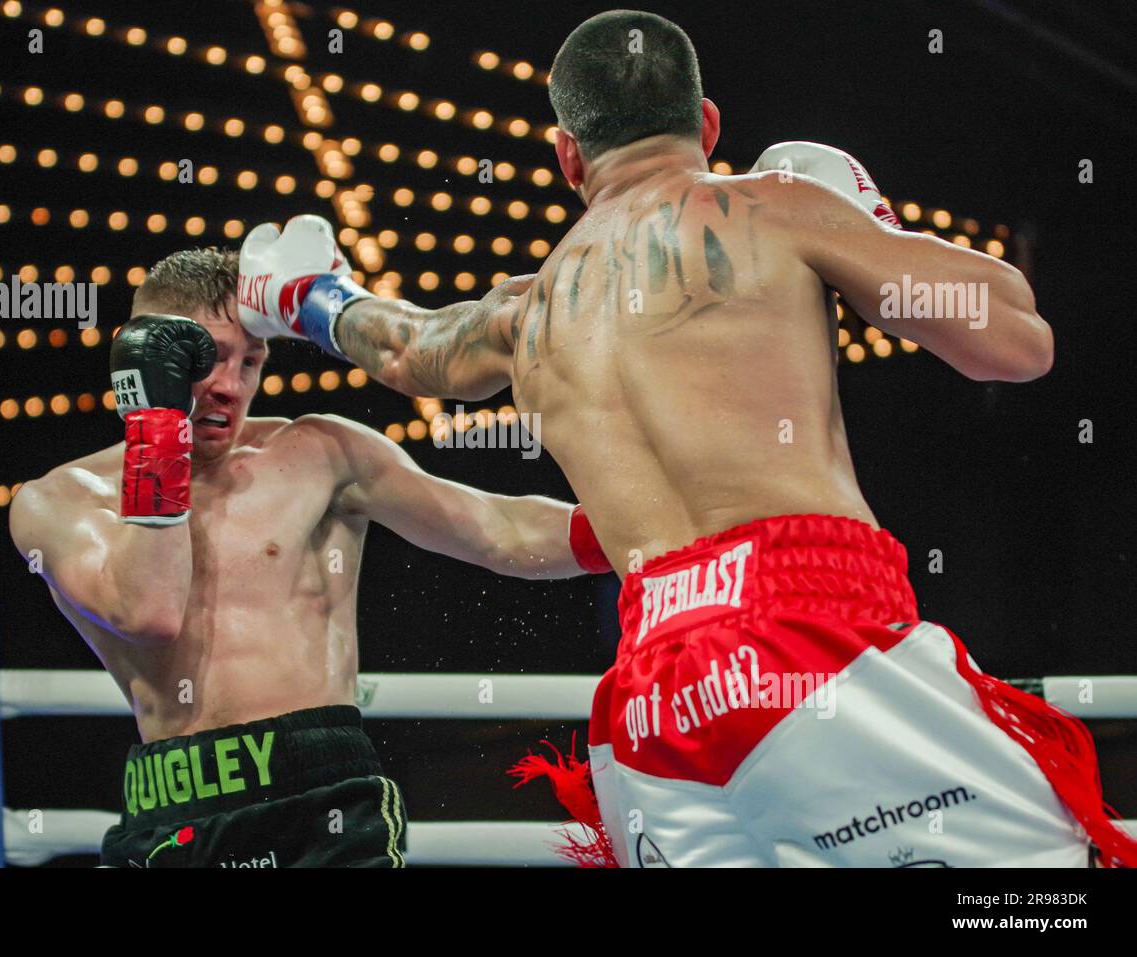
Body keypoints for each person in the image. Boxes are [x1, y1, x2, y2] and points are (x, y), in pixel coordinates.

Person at [233, 9, 1137, 868]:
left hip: (653, 698)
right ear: (706, 123)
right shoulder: (775, 206)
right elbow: (1017, 345)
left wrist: (308, 296)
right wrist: (870, 224)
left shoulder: (529, 309)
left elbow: (407, 349)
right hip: (813, 634)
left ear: (566, 154)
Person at [8, 247, 610, 868]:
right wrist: (156, 424)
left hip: (324, 794)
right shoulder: (60, 501)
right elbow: (150, 611)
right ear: (140, 351)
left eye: (251, 362)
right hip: (176, 801)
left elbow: (495, 527)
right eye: (208, 357)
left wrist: (646, 537)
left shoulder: (321, 451)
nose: (229, 385)